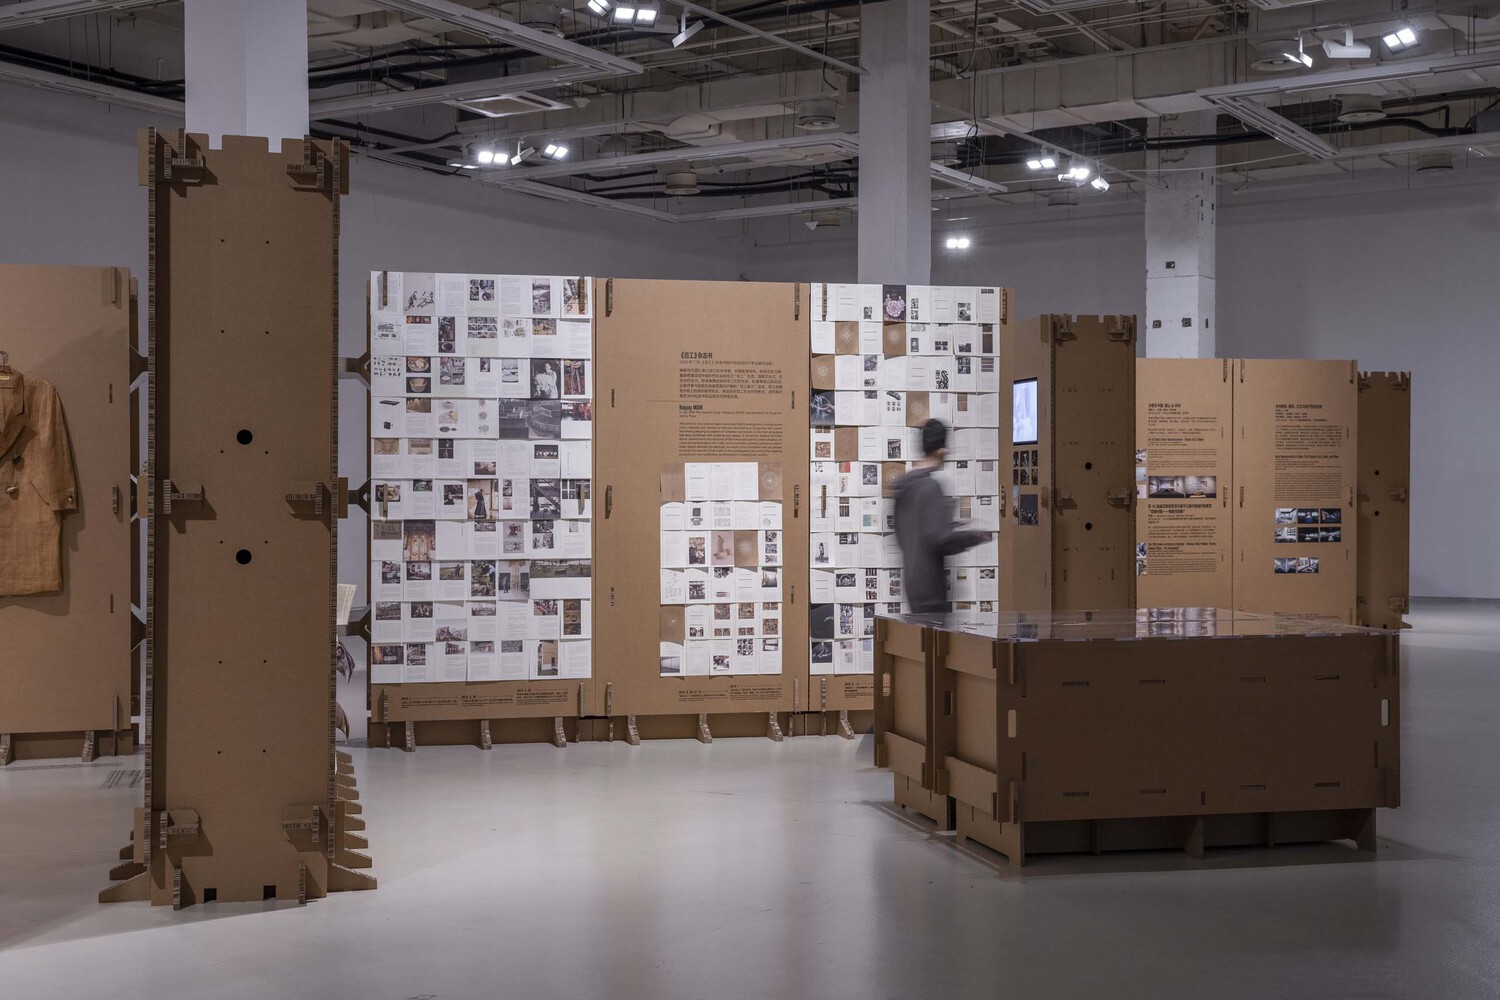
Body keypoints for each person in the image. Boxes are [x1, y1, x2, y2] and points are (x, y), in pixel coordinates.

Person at [893, 419, 989, 614]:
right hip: (930, 587)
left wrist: (946, 524)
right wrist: (975, 536)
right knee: (938, 643)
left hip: (912, 582)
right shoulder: (931, 487)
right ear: (941, 449)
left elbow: (904, 531)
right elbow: (941, 539)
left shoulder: (905, 485)